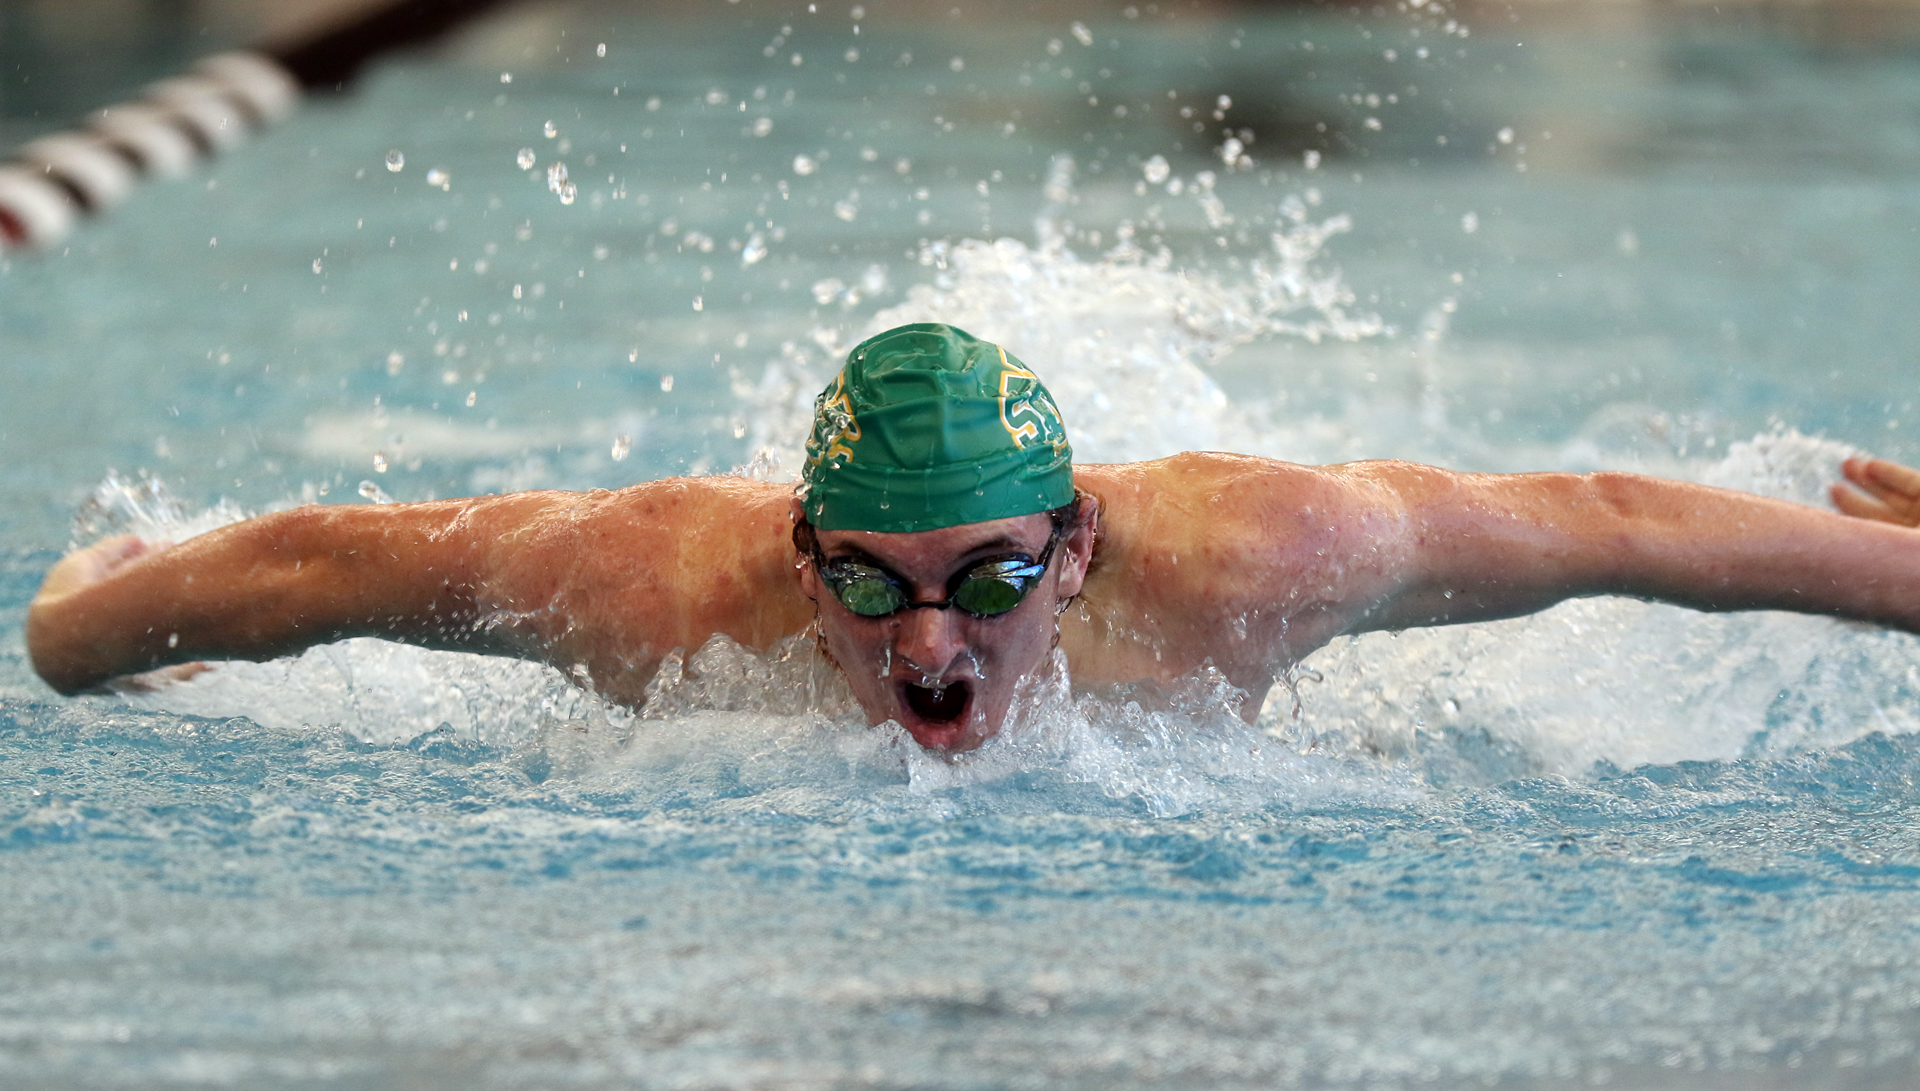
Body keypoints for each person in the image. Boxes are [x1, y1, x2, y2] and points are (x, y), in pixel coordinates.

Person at [26, 322, 1920, 751]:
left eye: (997, 582)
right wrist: (86, 627)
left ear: (1081, 549)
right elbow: (326, 570)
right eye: (866, 584)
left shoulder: (1266, 560)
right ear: (799, 554)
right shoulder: (646, 590)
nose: (930, 645)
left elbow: (1600, 524)